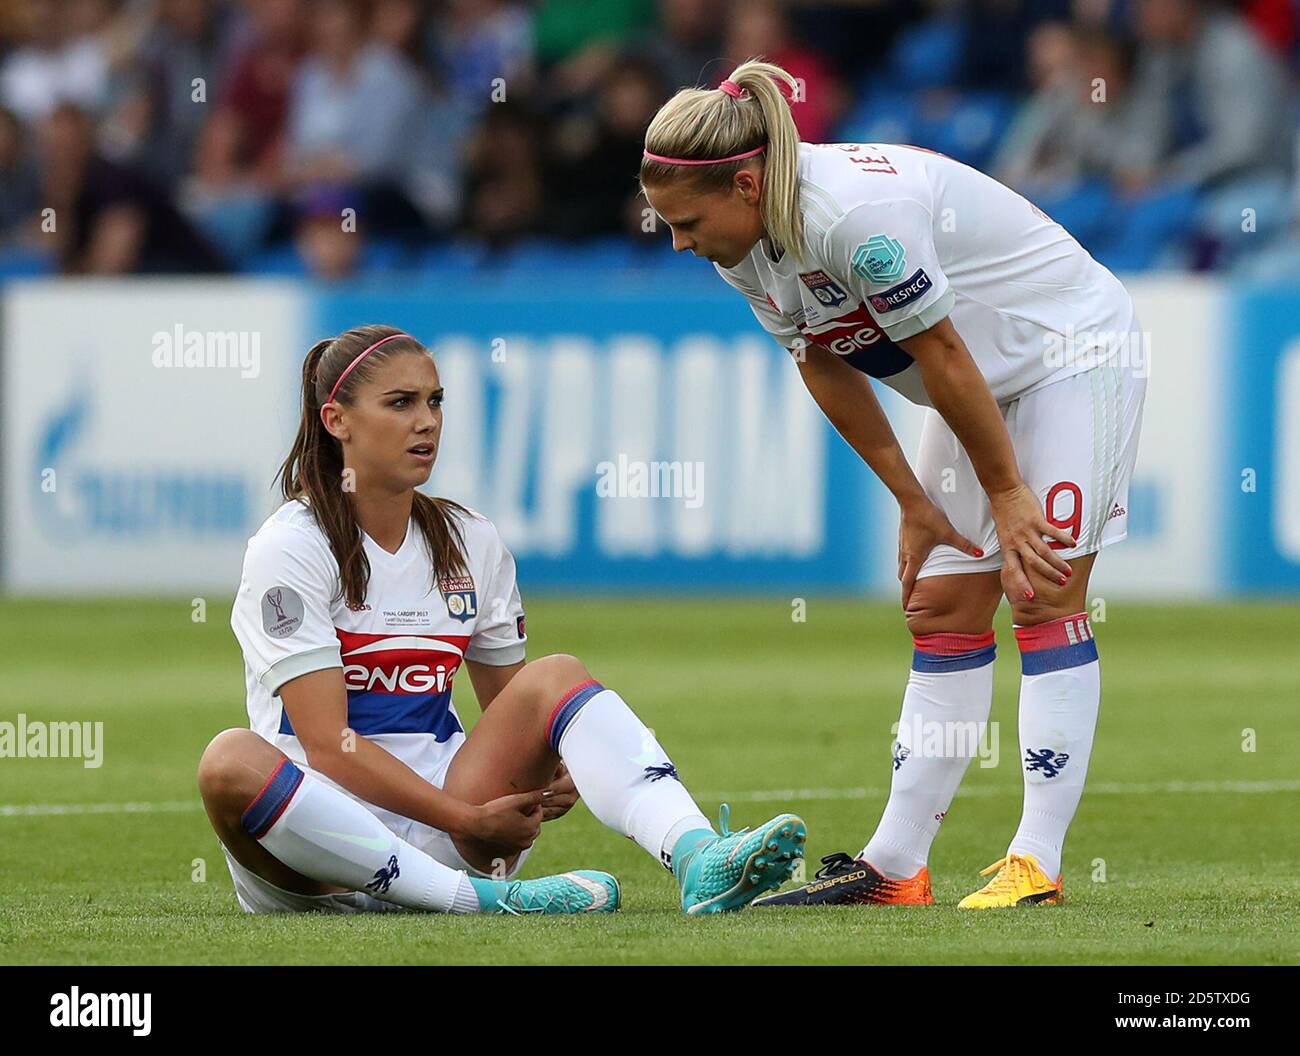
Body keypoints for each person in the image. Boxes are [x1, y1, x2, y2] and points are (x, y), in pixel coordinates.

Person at [640, 60, 1146, 909]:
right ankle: (896, 865)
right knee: (941, 607)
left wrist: (1013, 496)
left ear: (748, 181)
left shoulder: (853, 219)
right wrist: (913, 500)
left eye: (687, 222)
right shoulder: (741, 244)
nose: (681, 242)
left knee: (1040, 590)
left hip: (1070, 354)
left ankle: (1038, 864)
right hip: (978, 382)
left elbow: (943, 356)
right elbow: (824, 361)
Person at [197, 324, 806, 917]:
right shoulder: (292, 546)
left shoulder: (472, 541)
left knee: (556, 674)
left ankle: (699, 857)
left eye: (435, 401)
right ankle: (481, 902)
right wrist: (462, 817)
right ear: (338, 421)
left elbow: (517, 707)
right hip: (315, 859)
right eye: (400, 403)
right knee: (229, 761)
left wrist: (562, 767)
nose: (427, 421)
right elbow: (329, 746)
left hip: (454, 831)